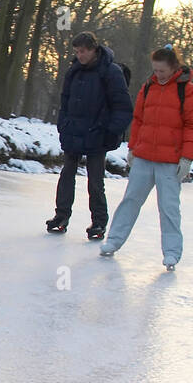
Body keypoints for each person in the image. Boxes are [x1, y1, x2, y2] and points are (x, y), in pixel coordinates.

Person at [100, 44, 193, 269]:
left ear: (174, 68)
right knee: (130, 200)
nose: (158, 75)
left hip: (170, 162)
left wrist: (186, 159)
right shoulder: (148, 87)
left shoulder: (190, 92)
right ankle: (113, 240)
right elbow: (138, 119)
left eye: (162, 71)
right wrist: (133, 147)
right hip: (144, 157)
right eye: (155, 70)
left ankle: (171, 253)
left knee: (168, 208)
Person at [47, 31, 134, 240]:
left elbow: (123, 106)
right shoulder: (73, 72)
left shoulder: (111, 72)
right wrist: (63, 124)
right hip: (74, 131)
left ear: (94, 49)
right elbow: (65, 101)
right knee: (67, 174)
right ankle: (61, 216)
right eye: (77, 51)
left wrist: (110, 130)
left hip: (97, 133)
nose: (80, 55)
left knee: (95, 180)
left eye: (83, 51)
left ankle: (99, 223)